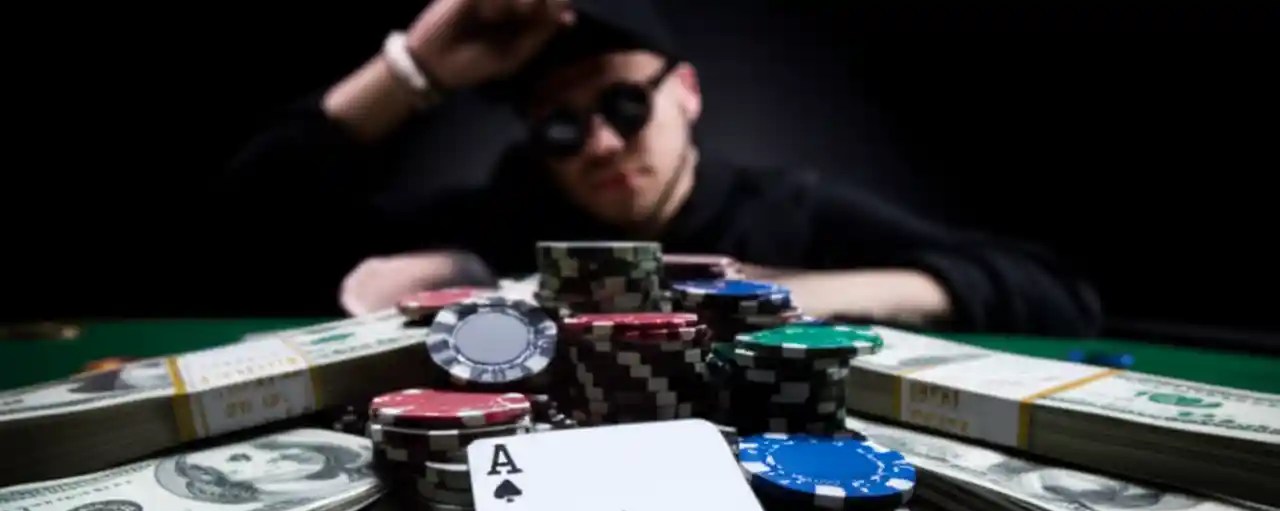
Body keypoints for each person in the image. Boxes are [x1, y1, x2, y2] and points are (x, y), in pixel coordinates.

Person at [219, 0, 1102, 335]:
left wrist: (798, 292)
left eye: (624, 103)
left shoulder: (785, 212)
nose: (602, 143)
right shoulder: (502, 219)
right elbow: (245, 228)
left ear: (685, 91)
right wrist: (413, 68)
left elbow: (1055, 293)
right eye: (562, 126)